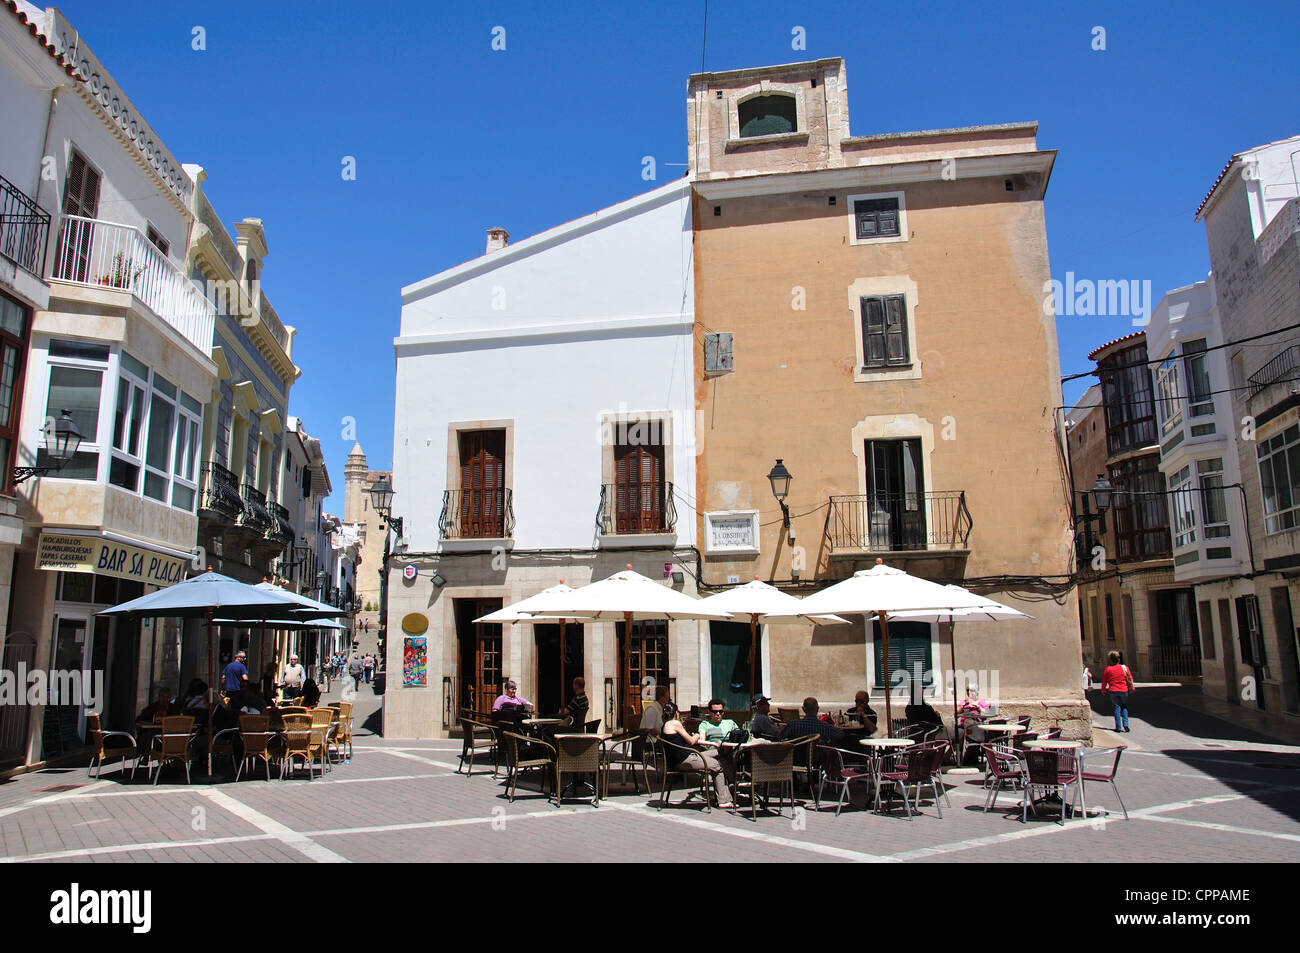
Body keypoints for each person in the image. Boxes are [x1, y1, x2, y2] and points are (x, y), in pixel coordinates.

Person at [659, 702, 733, 808]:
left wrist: (712, 743)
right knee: (717, 766)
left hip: (683, 758)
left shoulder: (665, 725)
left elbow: (690, 740)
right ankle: (723, 800)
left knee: (720, 752)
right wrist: (697, 735)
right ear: (676, 713)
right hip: (685, 760)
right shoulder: (675, 723)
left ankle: (729, 792)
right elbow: (691, 741)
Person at [779, 697, 846, 745]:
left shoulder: (793, 724)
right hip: (817, 760)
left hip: (796, 760)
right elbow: (841, 734)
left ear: (803, 709)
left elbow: (781, 737)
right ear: (817, 709)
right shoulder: (825, 727)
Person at [1101, 650, 1133, 732]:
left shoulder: (1108, 669)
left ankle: (1118, 727)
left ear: (1110, 659)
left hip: (1113, 690)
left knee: (1116, 707)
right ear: (1118, 659)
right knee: (1124, 706)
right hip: (1124, 690)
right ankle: (1126, 724)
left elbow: (1104, 681)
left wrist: (1103, 690)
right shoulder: (1124, 668)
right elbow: (1130, 679)